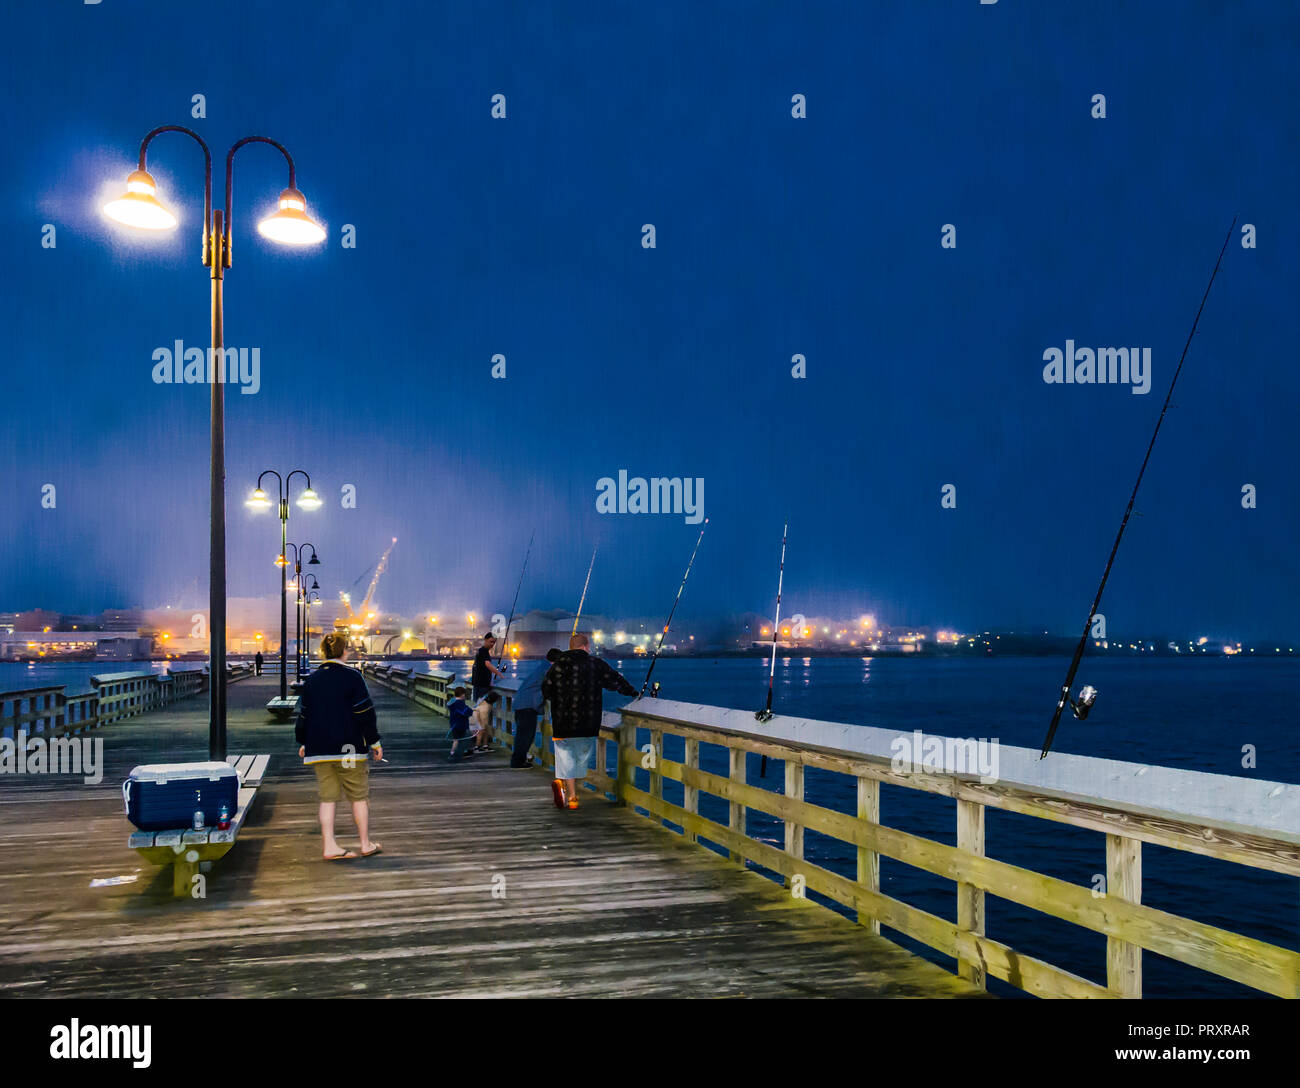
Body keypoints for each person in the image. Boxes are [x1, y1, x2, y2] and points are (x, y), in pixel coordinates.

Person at [294, 631, 383, 860]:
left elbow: (304, 715)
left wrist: (303, 741)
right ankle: (365, 844)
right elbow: (364, 712)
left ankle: (330, 846)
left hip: (319, 748)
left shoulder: (312, 680)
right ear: (345, 651)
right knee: (358, 796)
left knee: (328, 798)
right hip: (349, 748)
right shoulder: (352, 677)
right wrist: (374, 741)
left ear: (324, 651)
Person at [542, 633, 637, 810]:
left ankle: (571, 796)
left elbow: (546, 690)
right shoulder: (595, 664)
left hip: (562, 723)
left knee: (565, 757)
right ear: (586, 646)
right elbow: (615, 681)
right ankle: (569, 791)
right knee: (580, 759)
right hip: (588, 723)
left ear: (571, 647)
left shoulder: (557, 666)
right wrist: (633, 692)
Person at [510, 649, 559, 768]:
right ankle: (517, 762)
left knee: (522, 735)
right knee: (525, 736)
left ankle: (518, 760)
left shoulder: (541, 667)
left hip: (521, 703)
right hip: (528, 705)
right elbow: (551, 687)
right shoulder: (547, 670)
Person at [471, 633, 505, 700]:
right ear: (485, 640)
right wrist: (499, 674)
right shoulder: (483, 651)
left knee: (479, 706)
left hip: (479, 685)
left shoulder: (482, 651)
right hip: (481, 686)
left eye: (494, 642)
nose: (492, 644)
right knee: (480, 706)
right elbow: (487, 664)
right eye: (491, 641)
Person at [446, 686, 475, 761]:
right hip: (460, 724)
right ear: (462, 695)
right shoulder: (459, 703)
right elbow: (466, 712)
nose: (465, 696)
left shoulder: (452, 701)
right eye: (464, 695)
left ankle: (453, 753)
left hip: (453, 724)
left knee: (457, 739)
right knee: (463, 738)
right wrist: (471, 710)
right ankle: (459, 753)